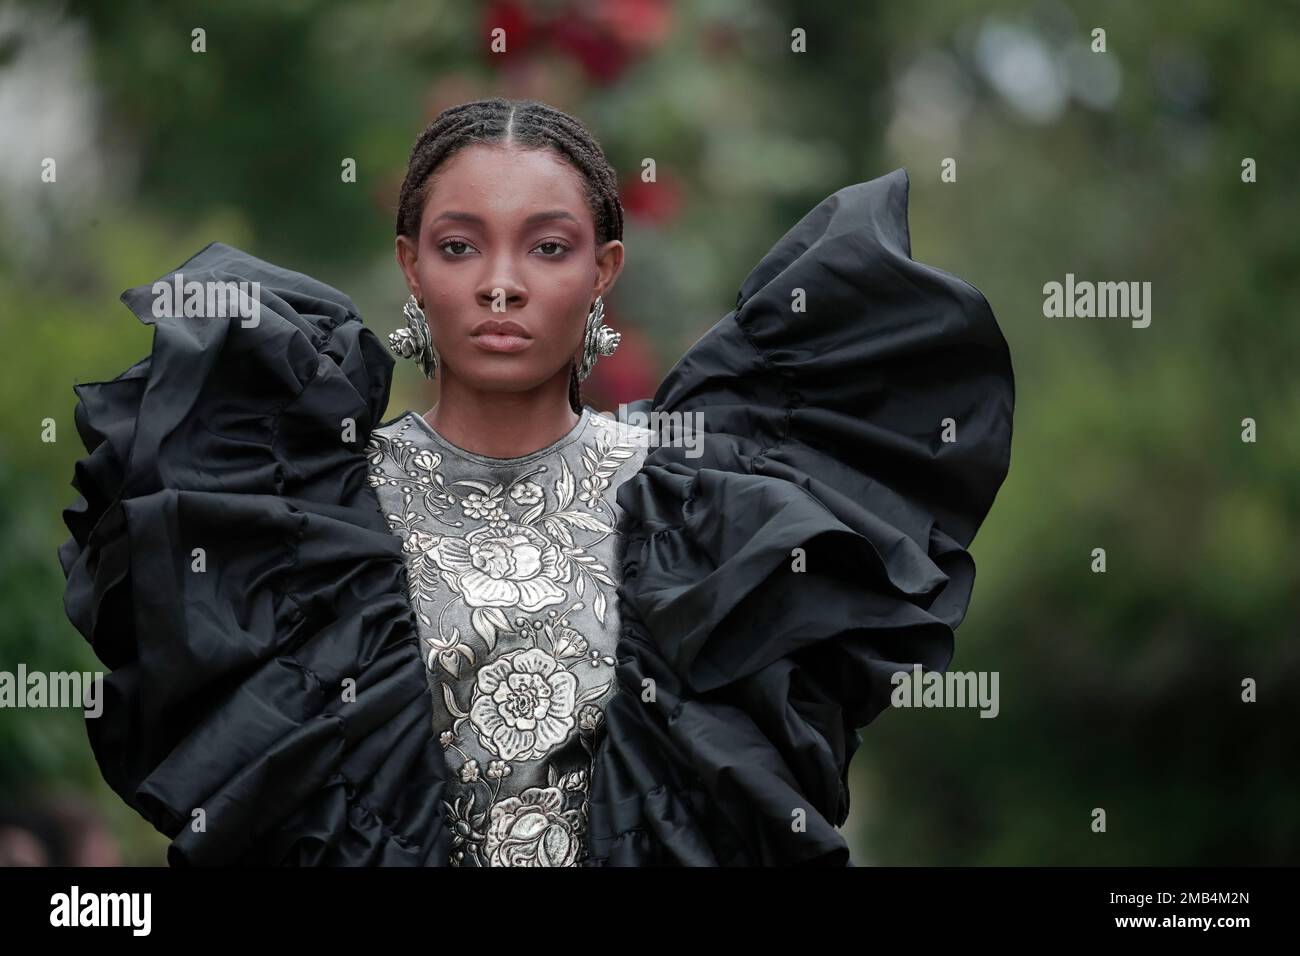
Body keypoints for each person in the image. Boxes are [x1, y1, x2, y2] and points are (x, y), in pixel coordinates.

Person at [59, 97, 1015, 866]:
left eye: (547, 248)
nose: (501, 284)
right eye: (460, 245)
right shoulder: (301, 513)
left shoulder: (712, 503)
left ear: (604, 272)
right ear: (411, 267)